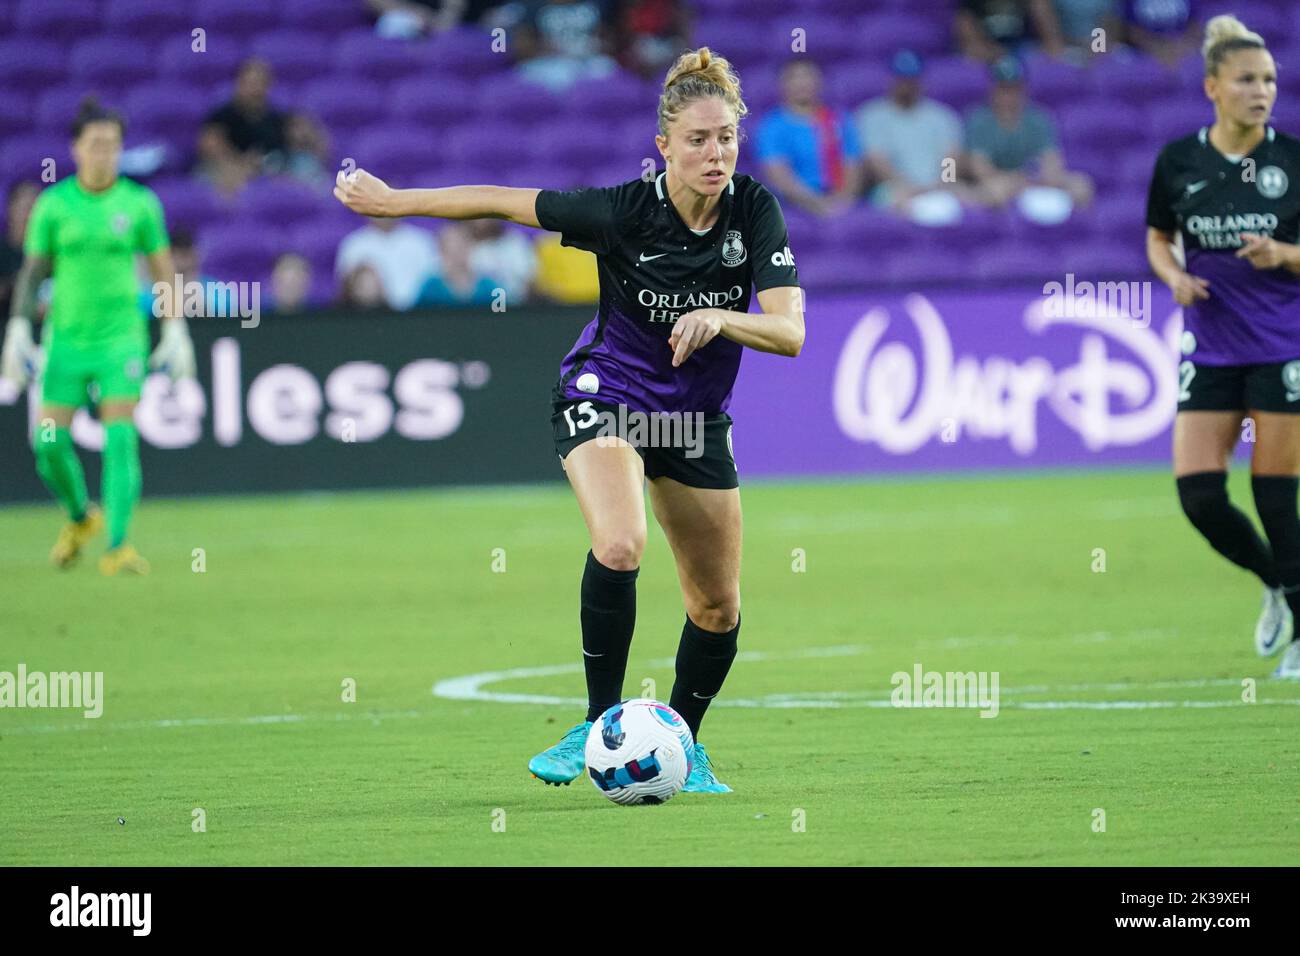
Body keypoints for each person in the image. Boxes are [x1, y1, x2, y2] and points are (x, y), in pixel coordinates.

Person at [333, 47, 804, 792]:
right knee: (620, 544)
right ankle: (597, 722)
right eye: (697, 140)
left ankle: (682, 742)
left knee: (716, 606)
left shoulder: (753, 209)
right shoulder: (620, 212)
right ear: (665, 147)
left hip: (691, 421)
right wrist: (396, 204)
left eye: (726, 138)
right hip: (606, 393)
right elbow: (502, 200)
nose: (716, 154)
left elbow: (791, 332)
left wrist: (718, 315)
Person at [1145, 15, 1300, 678]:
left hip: (1281, 345)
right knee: (1200, 497)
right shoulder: (1179, 161)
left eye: (1268, 79)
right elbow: (1157, 236)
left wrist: (1285, 253)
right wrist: (1175, 275)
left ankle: (1299, 637)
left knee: (1274, 493)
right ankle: (1278, 588)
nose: (1261, 90)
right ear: (1214, 87)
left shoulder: (1292, 162)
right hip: (1210, 345)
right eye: (1246, 79)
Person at [0, 99, 196, 575]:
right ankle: (79, 516)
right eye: (95, 145)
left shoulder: (139, 204)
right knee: (47, 442)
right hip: (66, 342)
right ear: (76, 149)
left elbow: (162, 271)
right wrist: (20, 326)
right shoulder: (54, 206)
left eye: (112, 145)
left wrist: (174, 327)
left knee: (120, 439)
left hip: (120, 341)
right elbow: (32, 273)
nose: (104, 153)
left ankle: (119, 545)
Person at [965, 55, 1094, 212]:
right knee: (992, 192)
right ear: (992, 89)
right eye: (1003, 89)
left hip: (1035, 179)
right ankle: (1008, 234)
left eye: (1014, 89)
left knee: (1081, 185)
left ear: (1023, 89)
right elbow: (981, 169)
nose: (1008, 96)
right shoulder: (978, 119)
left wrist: (1039, 179)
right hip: (1002, 181)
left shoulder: (1039, 118)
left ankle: (1076, 233)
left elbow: (1052, 162)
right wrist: (1017, 181)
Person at [755, 59, 865, 218]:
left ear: (820, 82)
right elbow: (779, 175)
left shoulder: (839, 119)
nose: (802, 83)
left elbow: (852, 164)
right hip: (794, 205)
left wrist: (843, 202)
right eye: (794, 78)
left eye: (808, 76)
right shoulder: (772, 126)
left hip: (841, 202)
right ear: (782, 85)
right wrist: (818, 204)